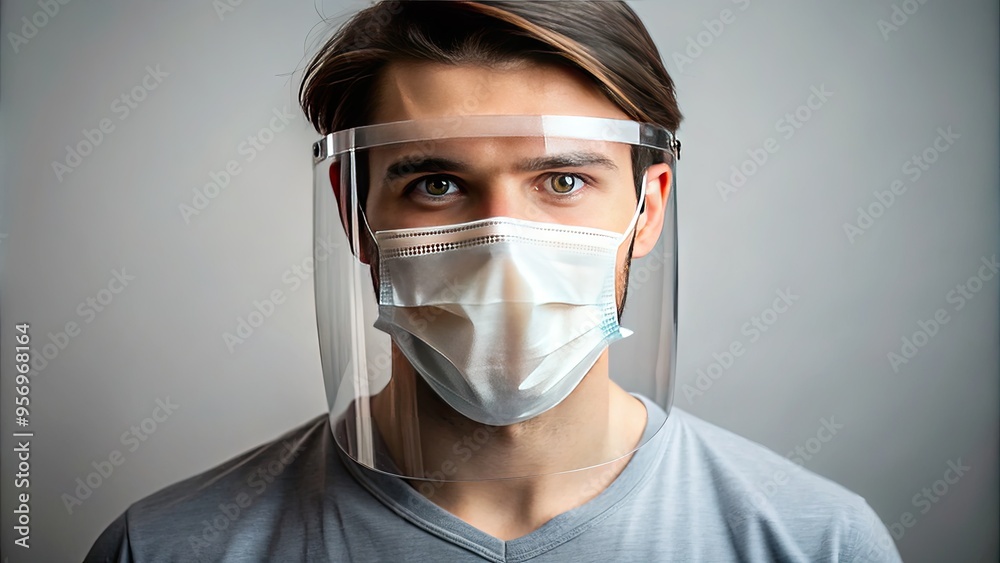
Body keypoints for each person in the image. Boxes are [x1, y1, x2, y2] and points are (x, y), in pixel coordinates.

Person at [86, 1, 902, 561]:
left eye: (563, 181)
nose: (504, 248)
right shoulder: (170, 546)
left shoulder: (813, 541)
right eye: (435, 183)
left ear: (648, 209)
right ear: (353, 210)